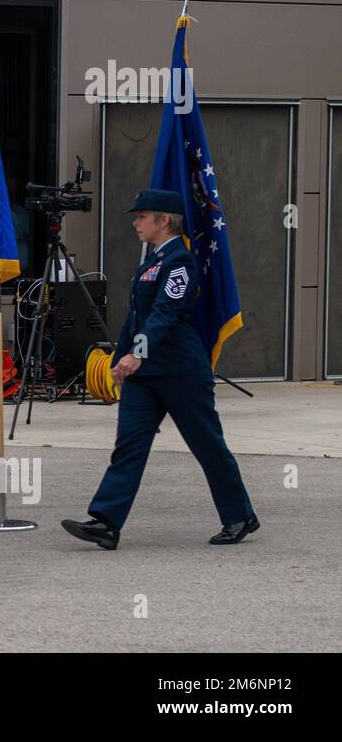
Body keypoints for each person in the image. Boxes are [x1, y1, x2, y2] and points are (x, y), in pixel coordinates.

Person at [62, 188, 259, 550]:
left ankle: (239, 516)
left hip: (180, 371)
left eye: (141, 216)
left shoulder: (179, 262)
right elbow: (137, 318)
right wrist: (118, 359)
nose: (135, 222)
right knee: (129, 446)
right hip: (145, 375)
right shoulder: (153, 262)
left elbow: (164, 314)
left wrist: (136, 353)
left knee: (207, 445)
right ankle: (106, 522)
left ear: (163, 220)